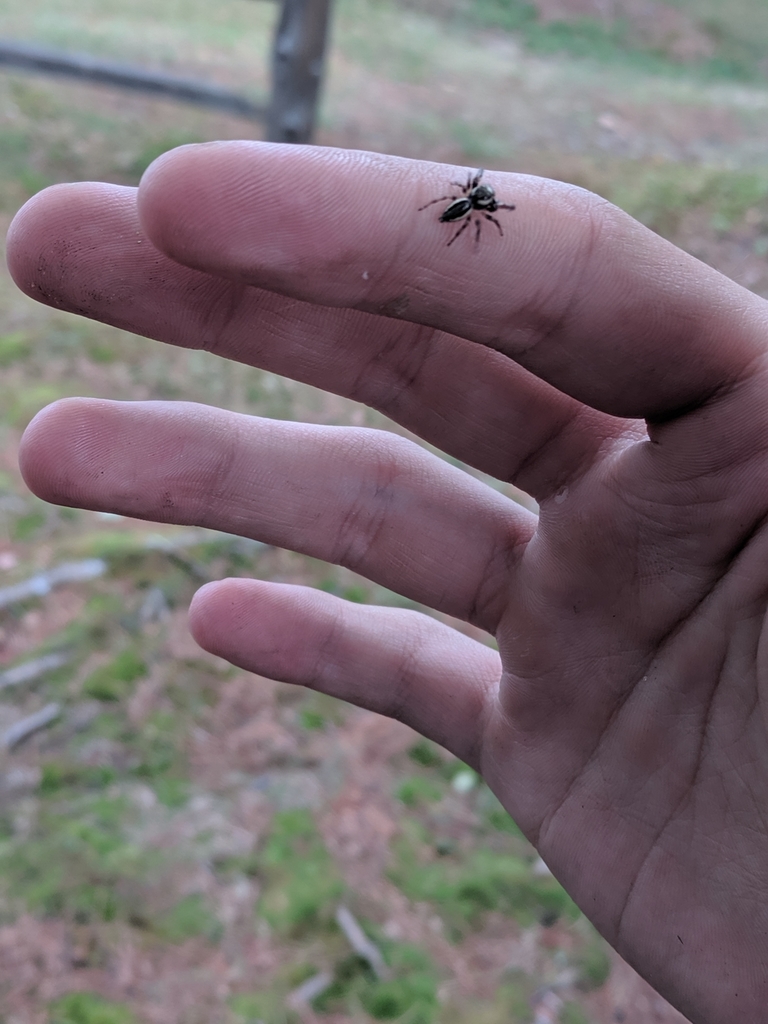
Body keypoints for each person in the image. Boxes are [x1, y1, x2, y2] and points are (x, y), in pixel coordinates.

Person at [6, 142, 768, 1024]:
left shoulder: (471, 208)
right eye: (475, 200)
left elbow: (475, 211)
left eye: (476, 201)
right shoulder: (473, 207)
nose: (476, 204)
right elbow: (475, 210)